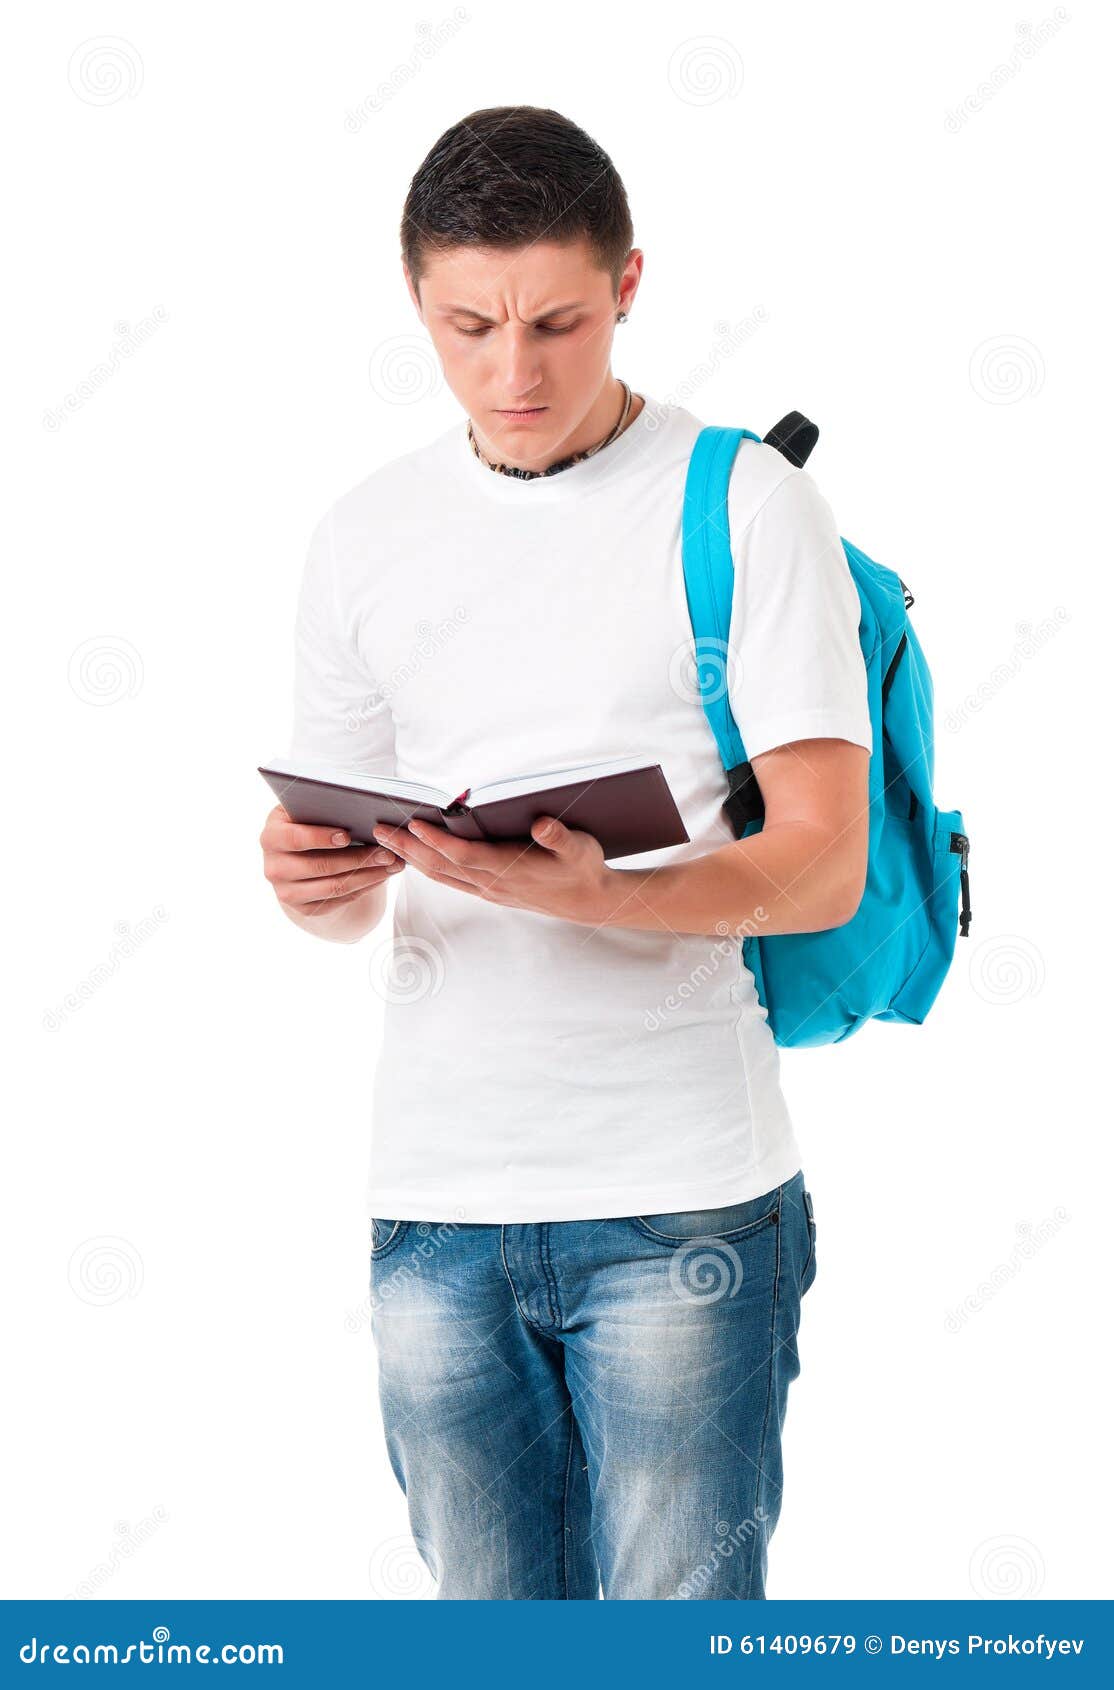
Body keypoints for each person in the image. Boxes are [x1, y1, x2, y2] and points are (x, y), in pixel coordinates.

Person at [259, 105, 871, 1600]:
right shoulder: (364, 533)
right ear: (418, 301)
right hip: (433, 1203)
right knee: (485, 1643)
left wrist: (608, 895)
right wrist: (306, 880)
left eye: (556, 321)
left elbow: (820, 865)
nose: (512, 371)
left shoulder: (743, 503)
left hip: (678, 1202)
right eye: (468, 326)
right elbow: (346, 880)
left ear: (629, 286)